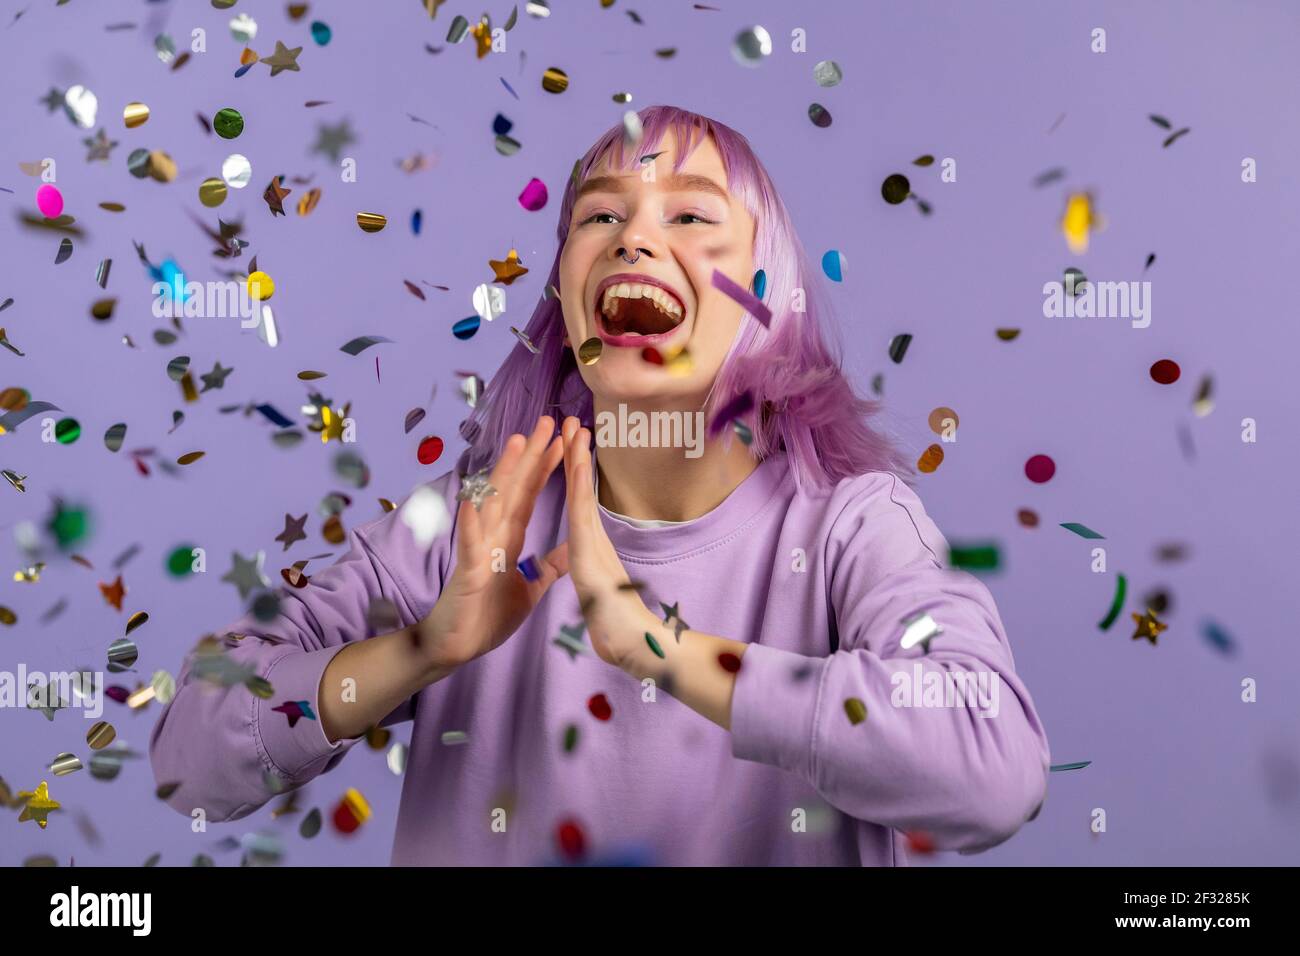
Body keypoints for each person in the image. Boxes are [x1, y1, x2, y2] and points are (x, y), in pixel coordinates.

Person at [150, 105, 1050, 865]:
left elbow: (993, 766)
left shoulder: (855, 526)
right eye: (598, 215)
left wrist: (667, 652)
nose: (635, 239)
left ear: (769, 297)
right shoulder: (473, 527)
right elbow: (188, 760)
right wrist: (423, 649)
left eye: (692, 218)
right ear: (563, 293)